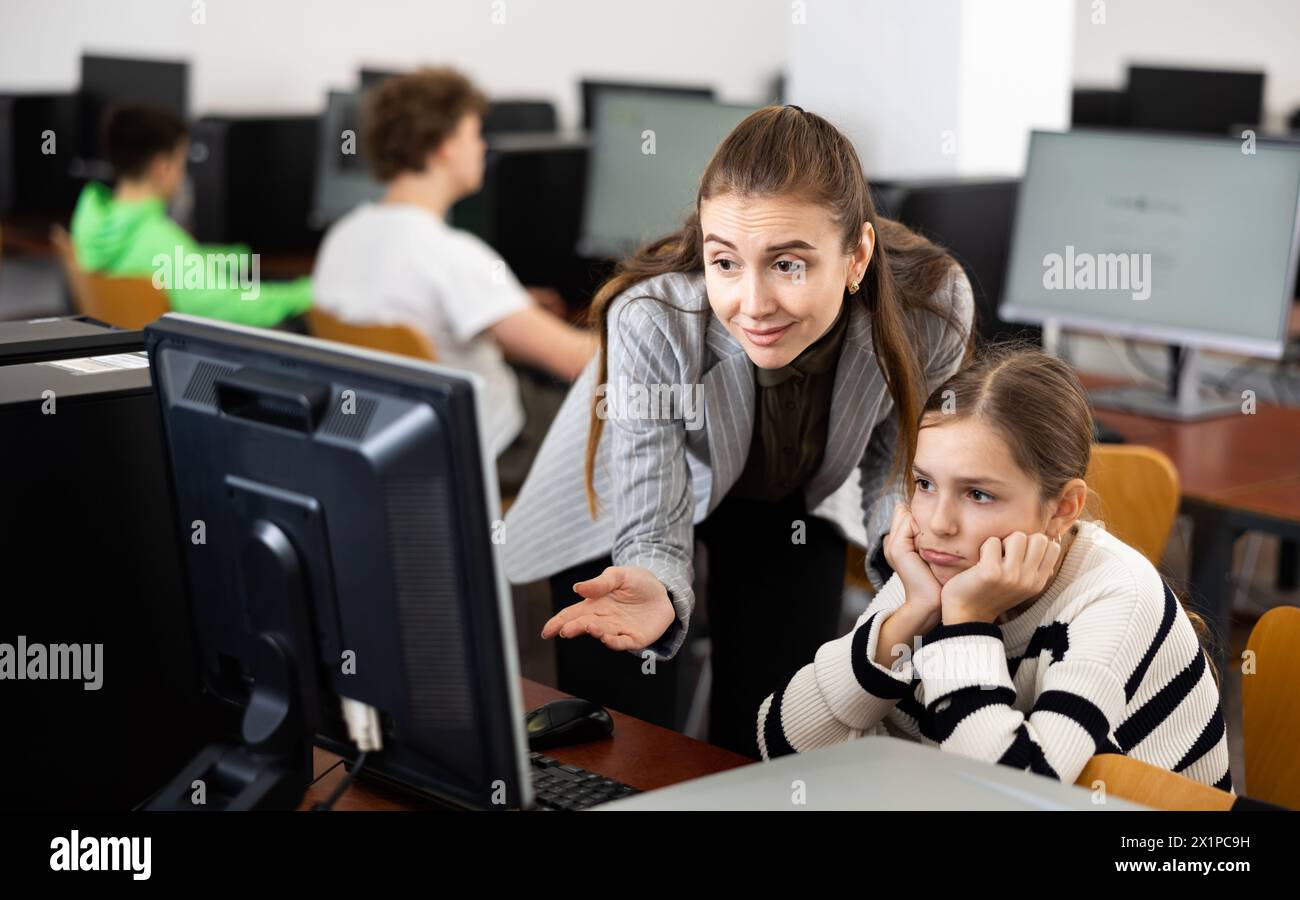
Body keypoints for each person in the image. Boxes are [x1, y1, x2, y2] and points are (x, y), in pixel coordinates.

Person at [503, 105, 974, 756]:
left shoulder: (930, 304)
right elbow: (651, 497)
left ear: (857, 255)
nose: (752, 304)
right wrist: (653, 576)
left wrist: (908, 573)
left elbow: (896, 468)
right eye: (726, 262)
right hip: (628, 498)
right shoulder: (656, 315)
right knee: (621, 745)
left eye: (788, 265)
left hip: (784, 497)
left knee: (770, 739)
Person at [756, 345, 1233, 791]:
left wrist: (966, 621)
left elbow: (1011, 795)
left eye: (978, 494)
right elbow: (782, 744)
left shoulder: (1115, 596)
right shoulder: (935, 573)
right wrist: (908, 617)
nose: (938, 524)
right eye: (924, 484)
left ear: (1063, 509)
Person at [311, 67, 595, 482]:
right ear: (444, 146)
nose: (482, 147)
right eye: (474, 134)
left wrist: (510, 304)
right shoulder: (452, 256)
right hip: (494, 451)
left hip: (390, 447)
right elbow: (577, 359)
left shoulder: (343, 236)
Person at [70, 104, 313, 328]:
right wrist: (307, 291)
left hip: (123, 351)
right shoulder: (161, 240)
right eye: (181, 163)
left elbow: (178, 264)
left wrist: (239, 259)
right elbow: (230, 306)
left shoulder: (91, 219)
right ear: (162, 167)